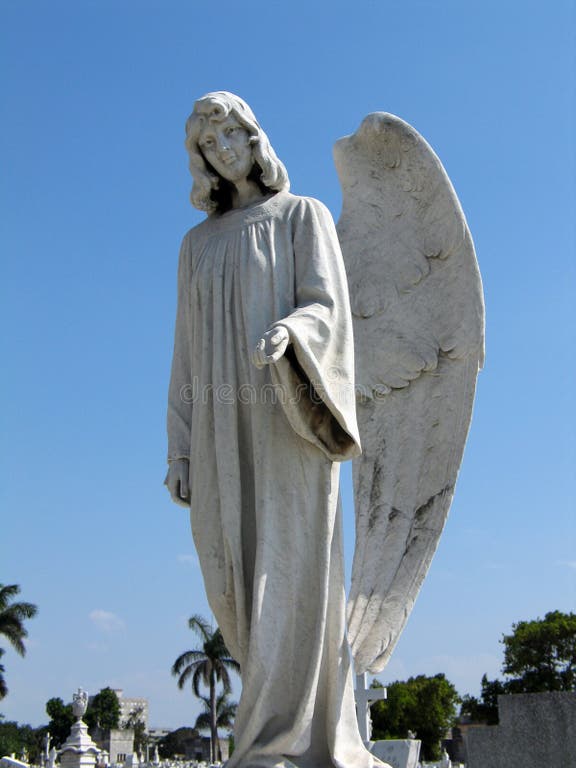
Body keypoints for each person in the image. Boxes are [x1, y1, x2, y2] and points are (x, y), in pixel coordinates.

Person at [165, 92, 378, 768]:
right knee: (230, 571)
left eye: (231, 136)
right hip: (221, 423)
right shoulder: (196, 245)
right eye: (210, 145)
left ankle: (290, 739)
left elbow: (328, 307)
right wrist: (179, 444)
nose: (224, 152)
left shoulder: (302, 217)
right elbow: (186, 351)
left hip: (291, 414)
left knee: (290, 567)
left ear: (254, 138)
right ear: (200, 160)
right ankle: (268, 725)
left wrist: (293, 333)